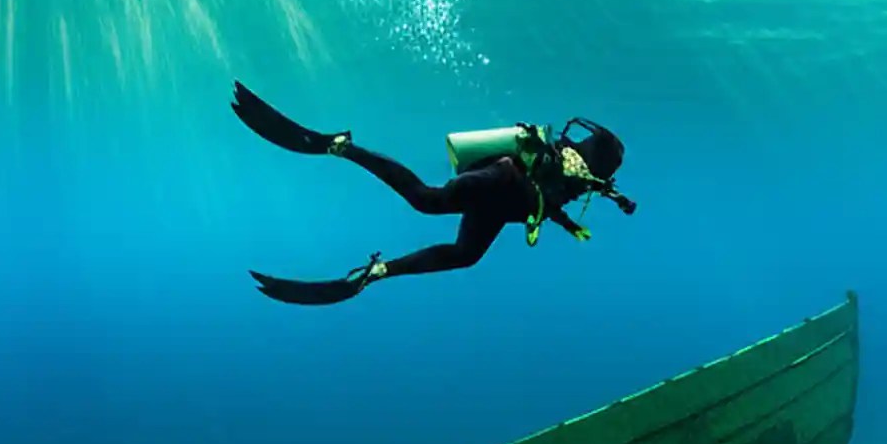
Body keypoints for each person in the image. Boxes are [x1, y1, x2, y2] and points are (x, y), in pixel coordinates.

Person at [229, 80, 637, 305]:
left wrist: (568, 222)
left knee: (465, 255)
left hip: (502, 204)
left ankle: (379, 271)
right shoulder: (576, 164)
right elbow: (553, 182)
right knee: (427, 201)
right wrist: (598, 197)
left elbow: (550, 201)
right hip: (502, 180)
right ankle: (342, 147)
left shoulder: (582, 180)